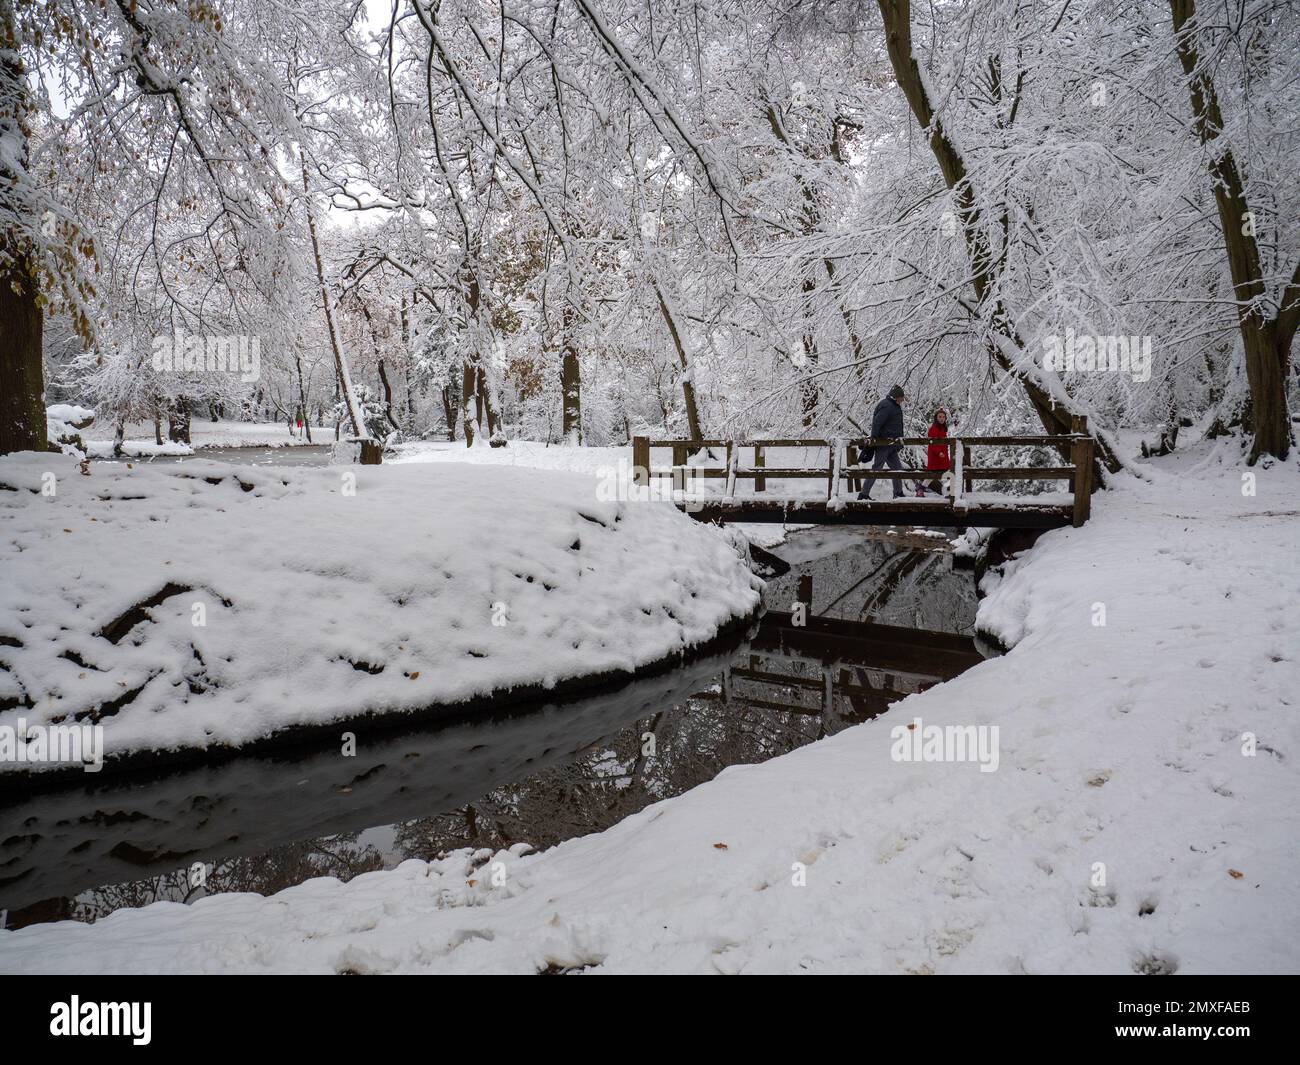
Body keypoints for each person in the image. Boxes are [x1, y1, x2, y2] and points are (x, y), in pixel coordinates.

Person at [859, 384, 906, 500]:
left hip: (892, 445)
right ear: (896, 397)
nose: (903, 400)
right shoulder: (887, 406)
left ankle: (898, 493)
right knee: (877, 467)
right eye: (901, 397)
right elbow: (877, 422)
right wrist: (875, 438)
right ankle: (864, 494)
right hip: (884, 444)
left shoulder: (893, 405)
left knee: (897, 468)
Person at [921, 407, 951, 496]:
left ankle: (947, 493)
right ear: (936, 418)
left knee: (944, 475)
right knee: (933, 475)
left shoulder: (943, 428)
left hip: (942, 457)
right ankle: (921, 490)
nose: (941, 419)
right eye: (939, 417)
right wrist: (939, 452)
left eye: (943, 417)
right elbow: (932, 443)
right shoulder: (933, 428)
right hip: (936, 457)